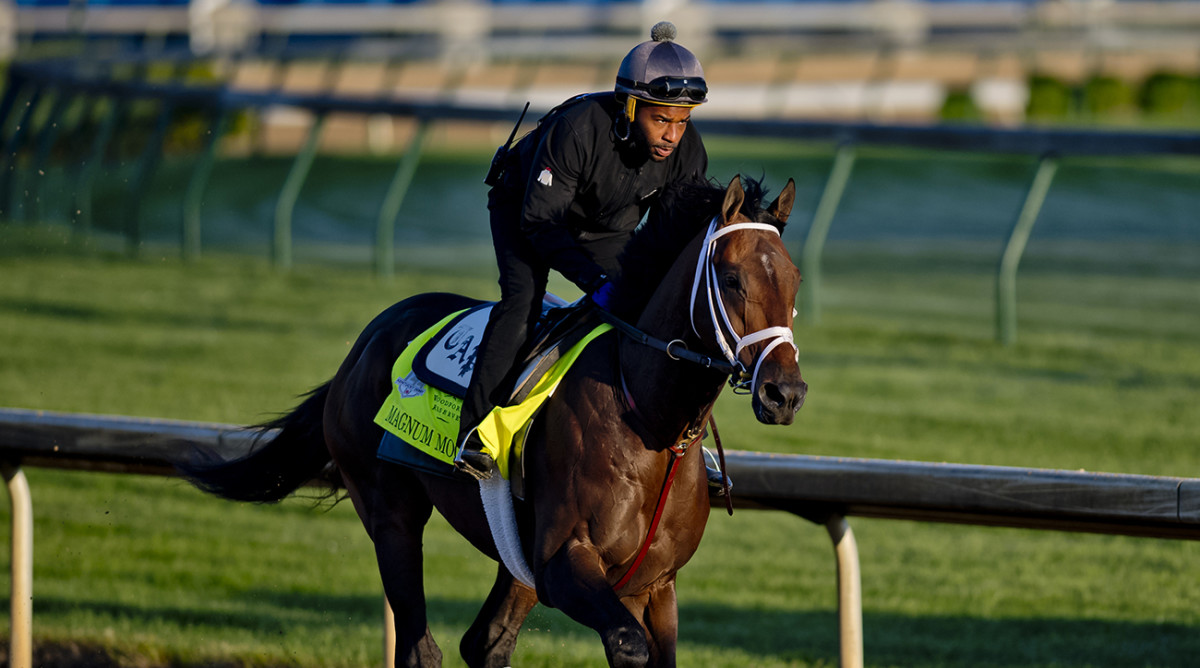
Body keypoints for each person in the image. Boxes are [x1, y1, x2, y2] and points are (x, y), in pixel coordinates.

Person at [455, 22, 712, 480]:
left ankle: (684, 443)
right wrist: (594, 281)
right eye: (661, 119)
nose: (673, 136)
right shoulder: (576, 129)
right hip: (527, 211)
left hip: (606, 228)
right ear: (629, 107)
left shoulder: (687, 152)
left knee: (654, 312)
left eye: (682, 121)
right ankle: (474, 434)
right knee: (522, 303)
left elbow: (672, 239)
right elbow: (540, 222)